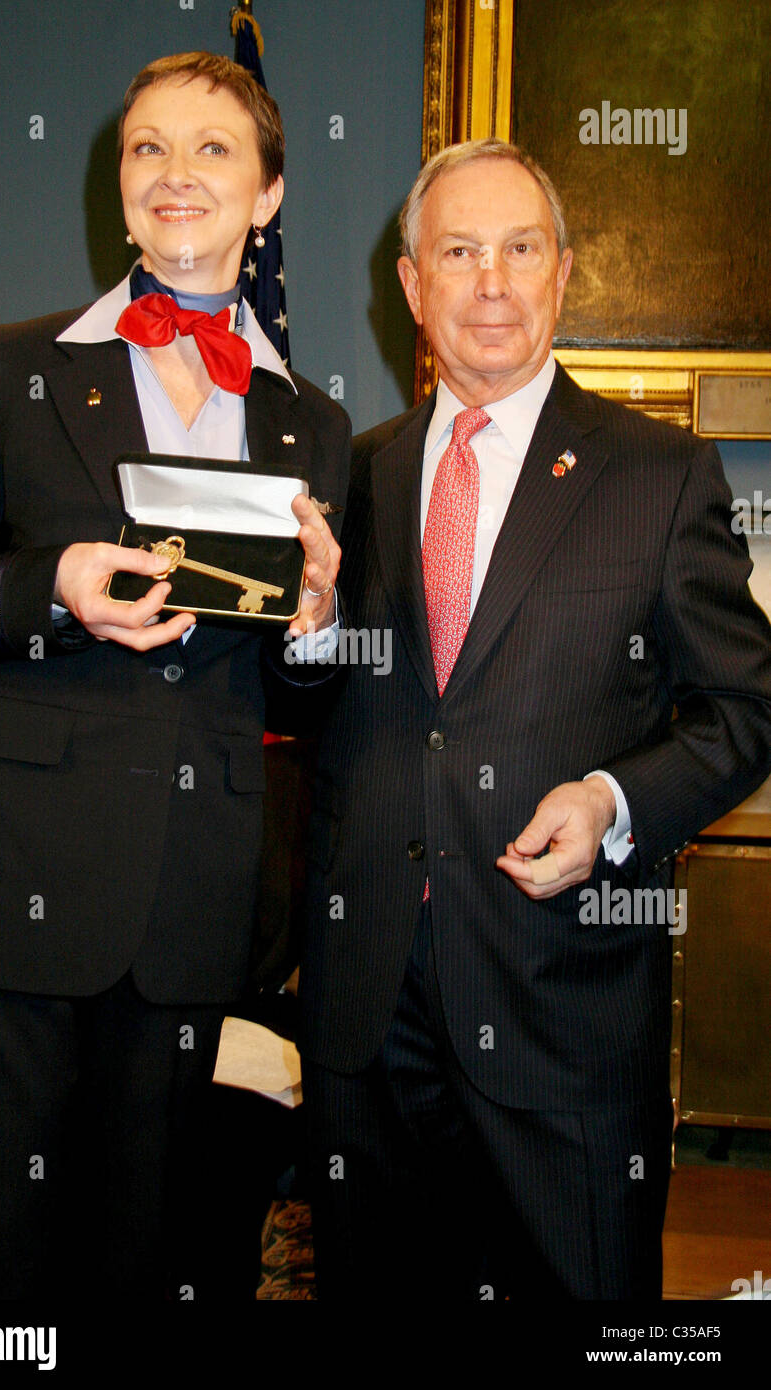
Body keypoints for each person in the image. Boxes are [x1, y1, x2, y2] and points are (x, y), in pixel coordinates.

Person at [0, 50, 349, 1299]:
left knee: (142, 1256)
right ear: (120, 188)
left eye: (213, 149)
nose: (175, 173)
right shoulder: (13, 362)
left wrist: (313, 624)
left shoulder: (308, 421)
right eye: (147, 147)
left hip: (187, 907)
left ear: (266, 196)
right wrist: (50, 585)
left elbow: (304, 696)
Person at [298, 138, 771, 1301]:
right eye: (457, 253)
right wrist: (303, 635)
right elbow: (304, 711)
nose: (491, 282)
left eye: (518, 249)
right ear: (411, 286)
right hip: (368, 1013)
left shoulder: (658, 474)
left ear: (562, 273)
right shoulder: (343, 476)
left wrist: (613, 800)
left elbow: (746, 705)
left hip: (561, 1008)